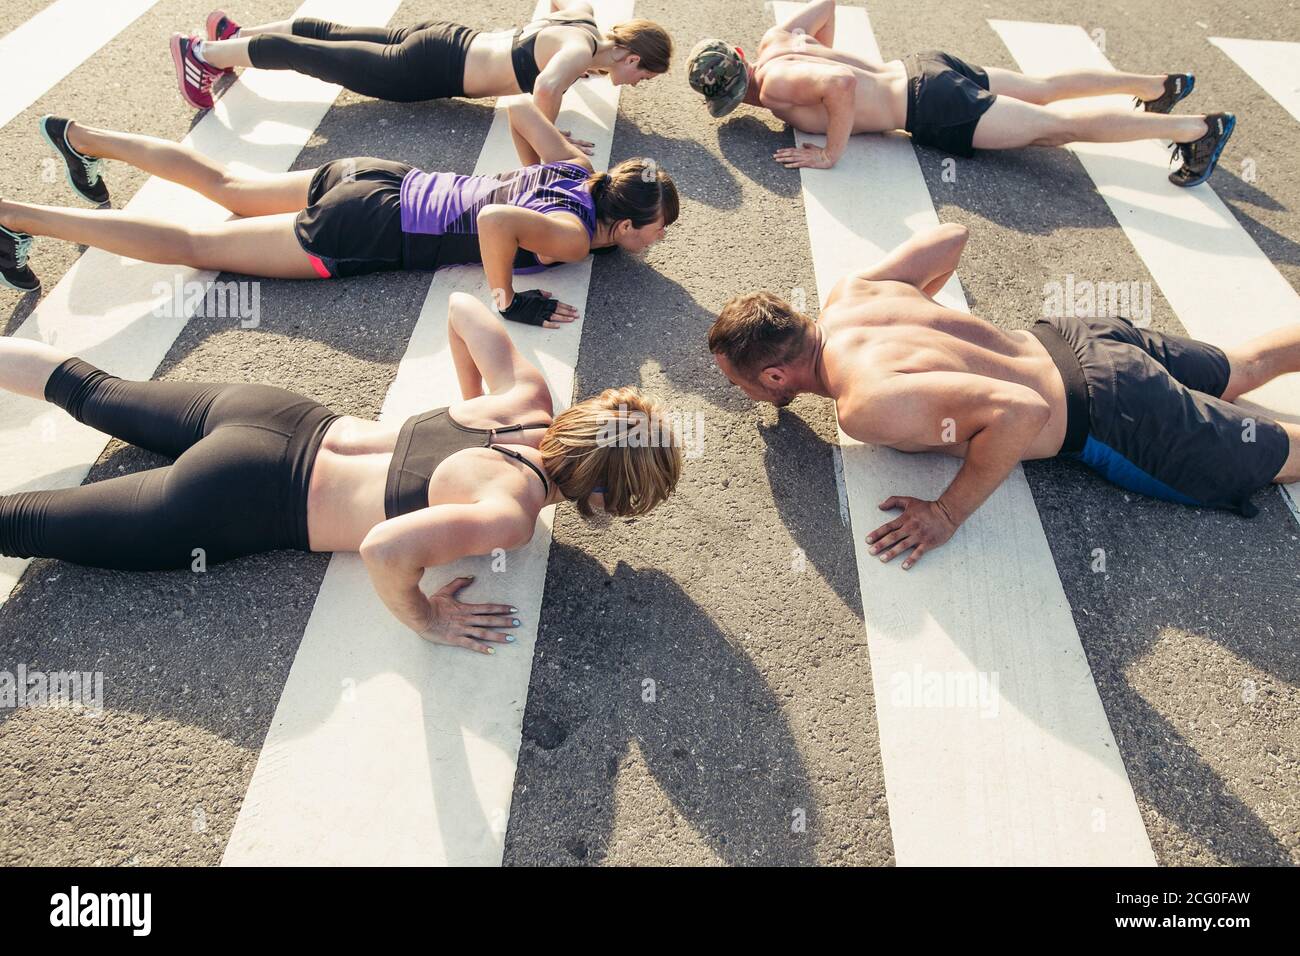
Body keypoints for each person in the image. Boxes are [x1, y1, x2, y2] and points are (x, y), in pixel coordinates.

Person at [0, 294, 682, 652]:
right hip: (248, 496)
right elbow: (385, 550)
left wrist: (467, 399)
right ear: (600, 498)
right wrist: (427, 619)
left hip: (281, 416)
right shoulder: (510, 511)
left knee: (90, 388)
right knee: (24, 523)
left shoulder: (527, 397)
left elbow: (465, 310)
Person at [708, 223, 1300, 569]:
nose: (744, 395)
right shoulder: (852, 294)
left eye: (741, 384)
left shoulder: (862, 403)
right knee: (1245, 365)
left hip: (1114, 411)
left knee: (1286, 455)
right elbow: (951, 236)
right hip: (1079, 337)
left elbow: (1021, 412)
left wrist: (946, 513)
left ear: (777, 377)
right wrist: (931, 325)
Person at [0, 106, 679, 329]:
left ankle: (84, 140)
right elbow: (498, 222)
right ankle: (15, 215)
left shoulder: (575, 174)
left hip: (378, 175)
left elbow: (521, 108)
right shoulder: (571, 242)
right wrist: (504, 297)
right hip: (374, 230)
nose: (659, 239)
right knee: (191, 242)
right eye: (658, 229)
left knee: (227, 185)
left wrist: (526, 166)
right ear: (622, 226)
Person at [686, 0, 1232, 187]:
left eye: (740, 100)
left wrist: (830, 151)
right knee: (1043, 90)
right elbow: (827, 10)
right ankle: (1157, 86)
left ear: (741, 84)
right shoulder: (775, 43)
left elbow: (841, 86)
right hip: (926, 66)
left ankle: (1197, 131)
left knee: (1053, 130)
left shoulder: (775, 85)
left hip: (930, 107)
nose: (750, 106)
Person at [171, 3, 672, 117]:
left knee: (333, 35)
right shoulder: (579, 51)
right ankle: (204, 53)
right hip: (429, 71)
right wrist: (551, 133)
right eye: (641, 75)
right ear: (628, 56)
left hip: (447, 39)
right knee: (317, 56)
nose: (634, 84)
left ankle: (237, 35)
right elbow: (546, 89)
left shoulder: (583, 22)